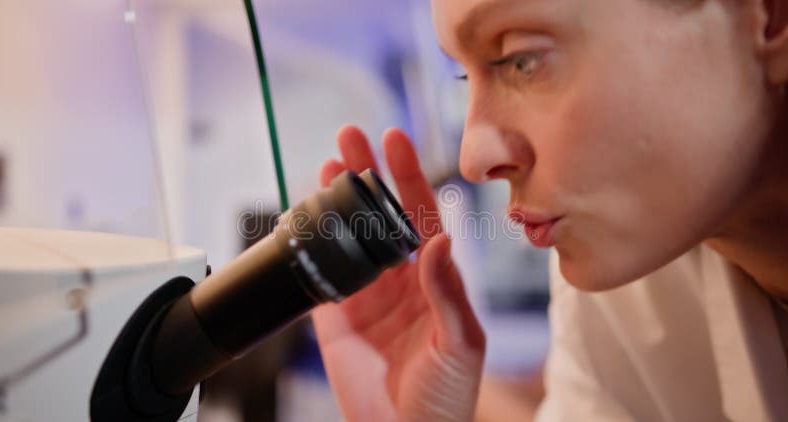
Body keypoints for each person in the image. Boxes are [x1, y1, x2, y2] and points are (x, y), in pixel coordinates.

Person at [311, 0, 788, 420]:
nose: (472, 161)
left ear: (768, 15)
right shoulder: (625, 281)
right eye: (464, 77)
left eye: (523, 60)